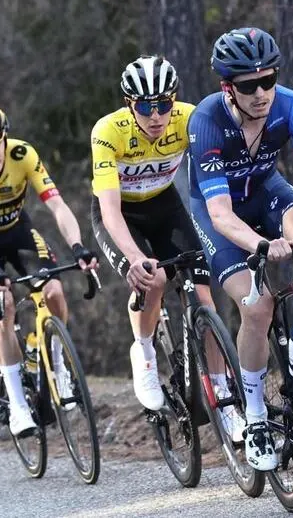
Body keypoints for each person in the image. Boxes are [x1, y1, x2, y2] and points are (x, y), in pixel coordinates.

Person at [186, 26, 293, 471]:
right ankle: (256, 417)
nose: (260, 92)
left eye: (268, 80)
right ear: (228, 88)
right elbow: (220, 214)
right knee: (256, 307)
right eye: (247, 85)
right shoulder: (206, 121)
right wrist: (262, 244)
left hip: (265, 190)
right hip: (217, 212)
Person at [89, 55, 241, 438]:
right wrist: (136, 258)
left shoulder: (189, 118)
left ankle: (222, 393)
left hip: (164, 206)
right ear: (130, 105)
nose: (156, 115)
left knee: (204, 298)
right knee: (153, 280)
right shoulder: (108, 132)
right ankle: (143, 351)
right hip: (120, 214)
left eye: (163, 105)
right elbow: (109, 211)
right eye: (145, 106)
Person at [0, 102, 99, 437]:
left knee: (54, 289)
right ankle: (16, 403)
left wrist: (77, 246)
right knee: (3, 305)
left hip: (17, 232)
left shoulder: (22, 155)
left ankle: (58, 363)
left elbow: (56, 205)